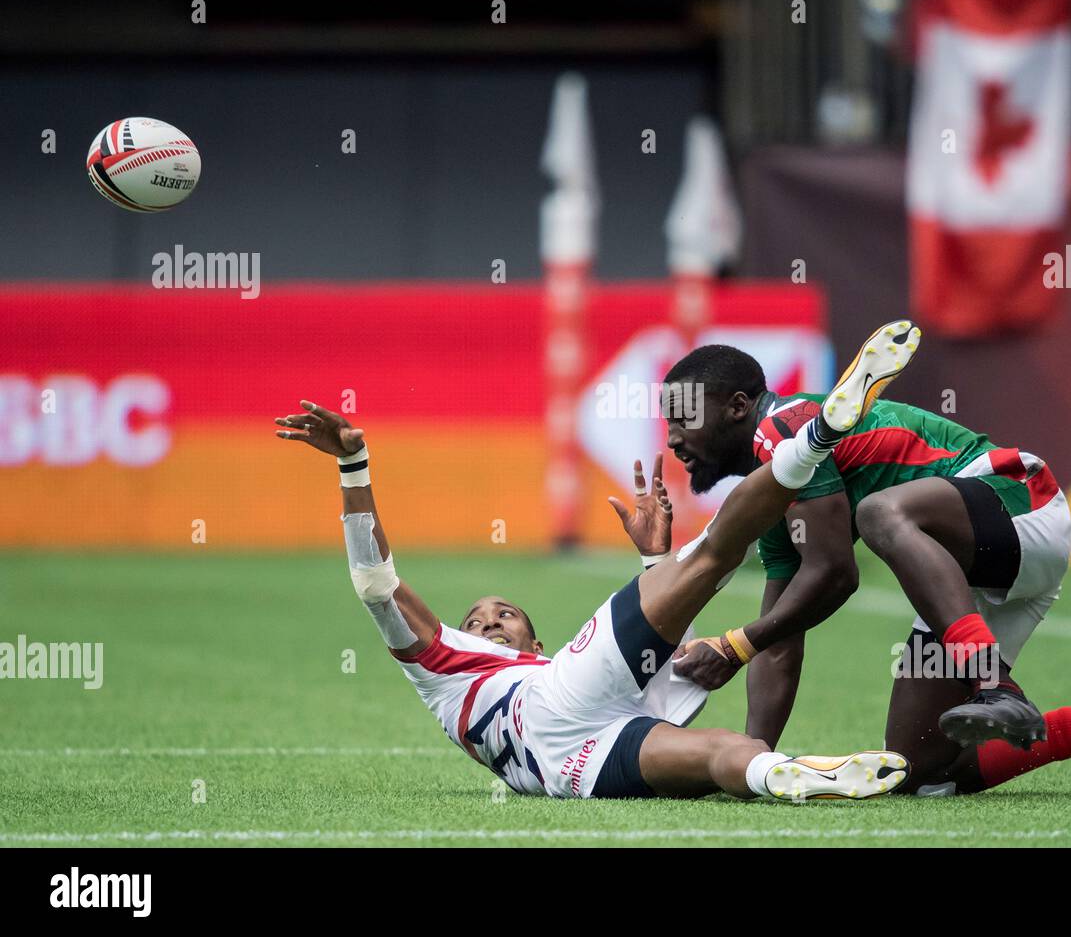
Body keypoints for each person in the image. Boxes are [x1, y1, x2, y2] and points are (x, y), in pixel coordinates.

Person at [269, 320, 922, 801]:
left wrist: (654, 560)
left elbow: (650, 665)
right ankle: (798, 775)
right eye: (481, 617)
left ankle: (817, 432)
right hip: (576, 764)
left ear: (538, 640)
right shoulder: (441, 670)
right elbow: (375, 583)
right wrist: (353, 464)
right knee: (729, 751)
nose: (491, 620)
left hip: (573, 717)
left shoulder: (551, 668)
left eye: (505, 614)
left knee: (710, 557)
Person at [662, 325, 1071, 796]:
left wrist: (734, 645)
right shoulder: (775, 488)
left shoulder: (782, 430)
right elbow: (781, 638)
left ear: (737, 406)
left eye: (684, 416)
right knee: (918, 768)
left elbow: (834, 575)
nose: (673, 438)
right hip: (970, 569)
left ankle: (993, 681)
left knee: (879, 514)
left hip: (1016, 502)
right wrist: (758, 760)